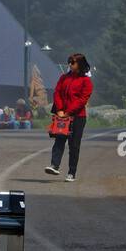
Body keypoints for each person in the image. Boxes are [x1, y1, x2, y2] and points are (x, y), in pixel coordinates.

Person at [46, 53, 93, 181]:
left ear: (80, 64)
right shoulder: (63, 78)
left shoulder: (86, 81)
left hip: (78, 117)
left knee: (74, 145)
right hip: (62, 116)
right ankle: (54, 165)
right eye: (69, 62)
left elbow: (82, 100)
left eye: (73, 62)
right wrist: (60, 110)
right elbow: (57, 93)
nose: (70, 64)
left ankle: (72, 172)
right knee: (59, 140)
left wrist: (69, 112)